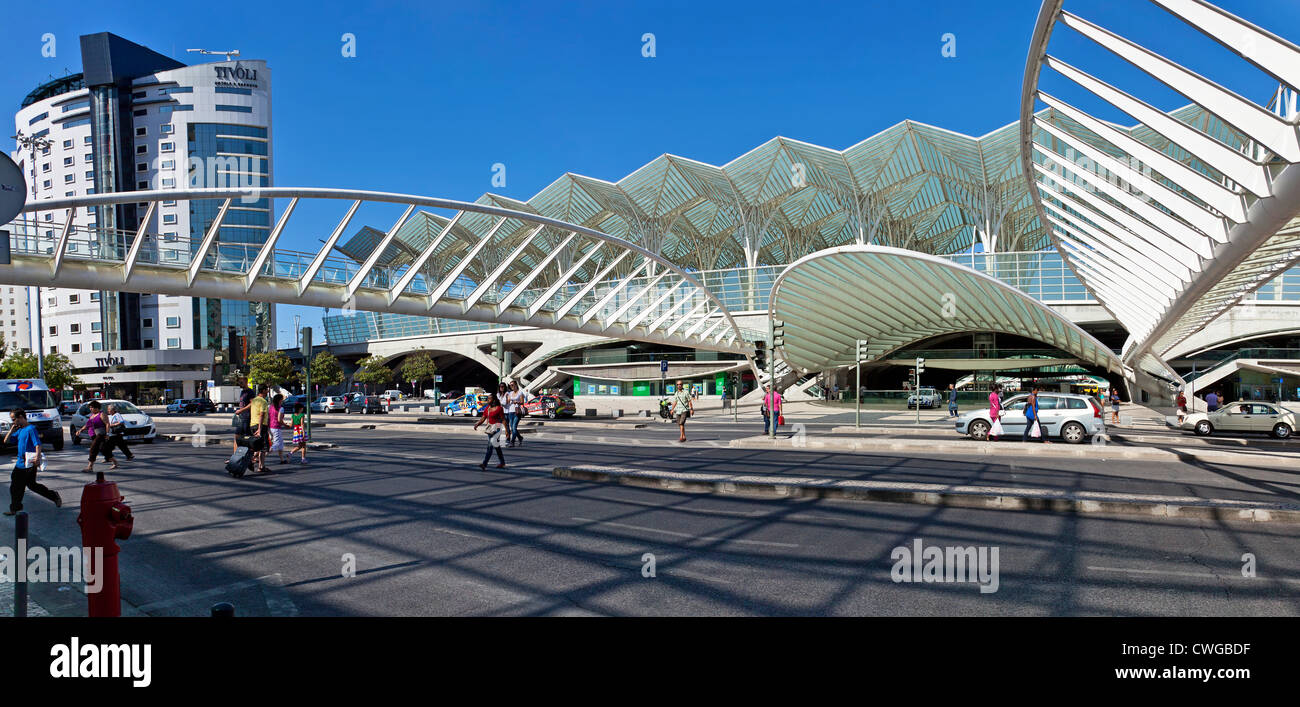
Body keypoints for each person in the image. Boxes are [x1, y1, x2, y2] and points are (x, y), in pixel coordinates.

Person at [4, 409, 61, 515]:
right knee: (17, 486)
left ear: (21, 417)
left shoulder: (31, 429)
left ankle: (53, 496)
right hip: (20, 462)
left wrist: (38, 458)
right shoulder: (20, 430)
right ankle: (15, 508)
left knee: (29, 485)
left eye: (14, 419)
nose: (13, 421)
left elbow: (37, 444)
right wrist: (12, 429)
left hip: (29, 462)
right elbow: (6, 441)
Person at [81, 401, 118, 473]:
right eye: (90, 407)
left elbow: (107, 424)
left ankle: (90, 467)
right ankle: (115, 462)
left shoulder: (102, 414)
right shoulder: (92, 416)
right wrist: (80, 430)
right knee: (103, 449)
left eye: (92, 407)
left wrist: (107, 433)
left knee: (93, 448)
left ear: (96, 408)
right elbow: (87, 424)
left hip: (101, 434)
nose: (90, 409)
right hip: (94, 435)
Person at [473, 393, 507, 470]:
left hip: (497, 429)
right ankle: (502, 463)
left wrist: (507, 431)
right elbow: (483, 418)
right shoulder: (487, 408)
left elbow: (503, 419)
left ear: (494, 400)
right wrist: (477, 424)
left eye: (489, 399)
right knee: (497, 447)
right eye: (487, 399)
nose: (488, 400)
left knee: (490, 446)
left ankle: (484, 464)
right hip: (490, 429)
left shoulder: (499, 408)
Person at [248, 385, 271, 473]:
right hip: (260, 426)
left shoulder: (254, 400)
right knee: (264, 447)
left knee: (258, 446)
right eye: (267, 390)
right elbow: (262, 415)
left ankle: (258, 464)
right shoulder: (263, 401)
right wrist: (260, 429)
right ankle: (258, 464)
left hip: (252, 424)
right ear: (264, 390)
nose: (268, 391)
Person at [232, 380, 255, 455]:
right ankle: (235, 456)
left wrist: (241, 410)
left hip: (247, 417)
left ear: (246, 382)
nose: (240, 384)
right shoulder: (242, 392)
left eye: (241, 383)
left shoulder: (250, 392)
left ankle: (251, 456)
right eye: (239, 383)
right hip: (241, 417)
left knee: (248, 438)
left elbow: (252, 404)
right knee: (236, 436)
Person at [504, 380, 528, 448]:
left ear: (516, 385)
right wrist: (507, 399)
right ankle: (520, 438)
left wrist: (516, 402)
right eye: (510, 385)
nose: (512, 387)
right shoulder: (510, 393)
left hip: (517, 412)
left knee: (514, 427)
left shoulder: (520, 393)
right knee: (513, 428)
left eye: (513, 385)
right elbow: (508, 402)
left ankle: (512, 442)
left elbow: (522, 402)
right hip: (510, 411)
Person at [268, 394, 287, 465]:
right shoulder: (281, 408)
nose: (283, 401)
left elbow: (269, 417)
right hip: (276, 427)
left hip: (271, 427)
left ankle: (282, 459)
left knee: (280, 444)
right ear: (280, 400)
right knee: (276, 444)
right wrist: (286, 425)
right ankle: (260, 456)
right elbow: (279, 420)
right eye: (282, 399)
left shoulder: (270, 407)